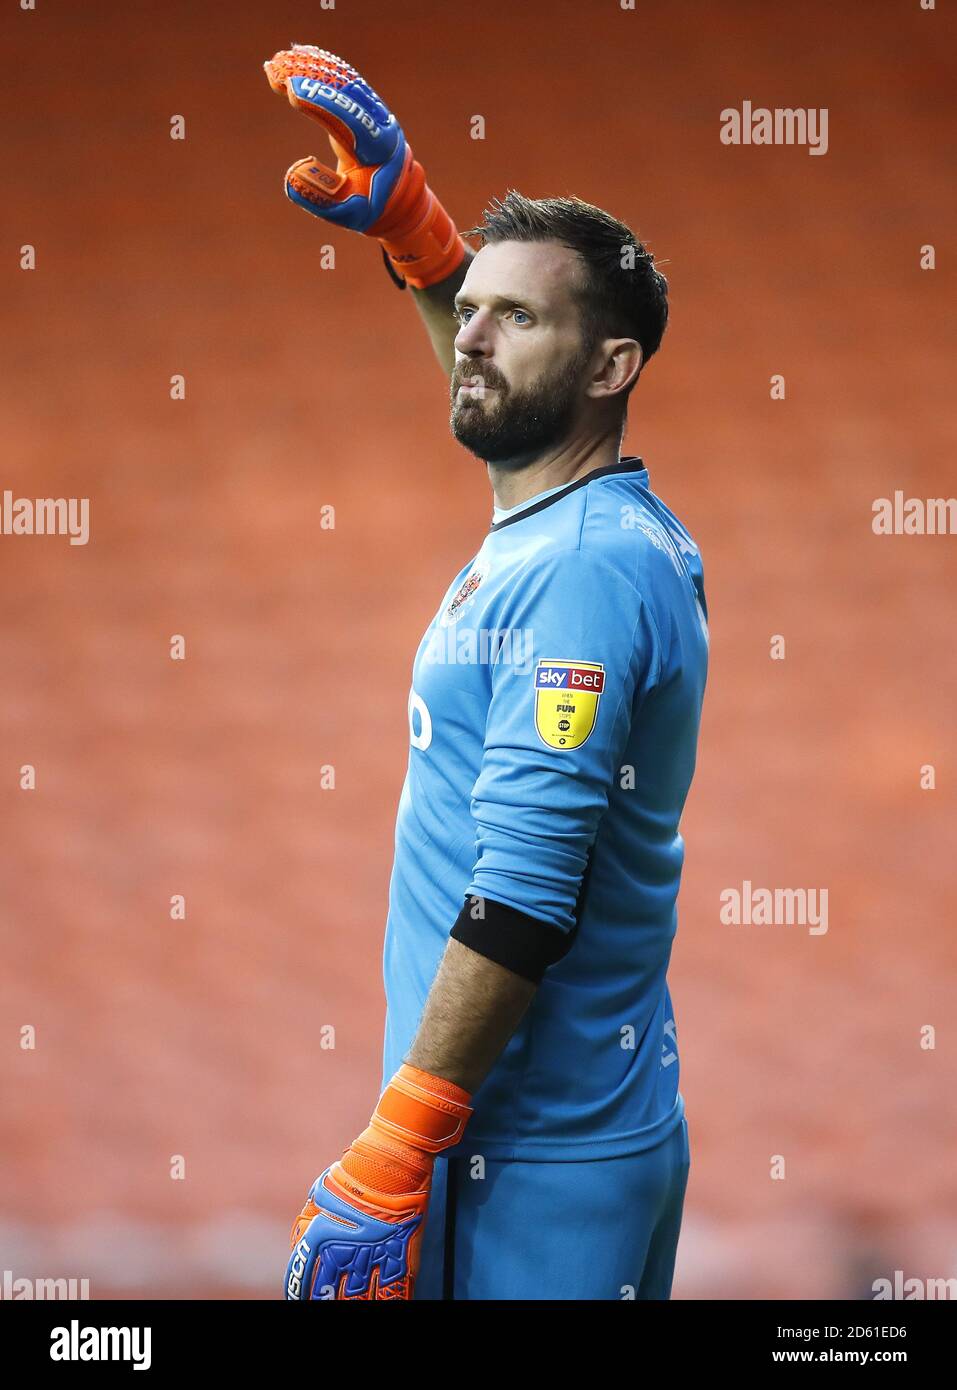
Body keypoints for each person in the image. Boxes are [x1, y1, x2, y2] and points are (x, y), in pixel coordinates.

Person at [265, 45, 708, 1301]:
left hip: (534, 1157)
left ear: (610, 367)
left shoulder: (579, 573)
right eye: (470, 311)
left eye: (517, 316)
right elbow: (503, 383)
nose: (471, 337)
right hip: (542, 1138)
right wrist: (413, 225)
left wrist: (393, 1150)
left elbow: (523, 893)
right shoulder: (578, 521)